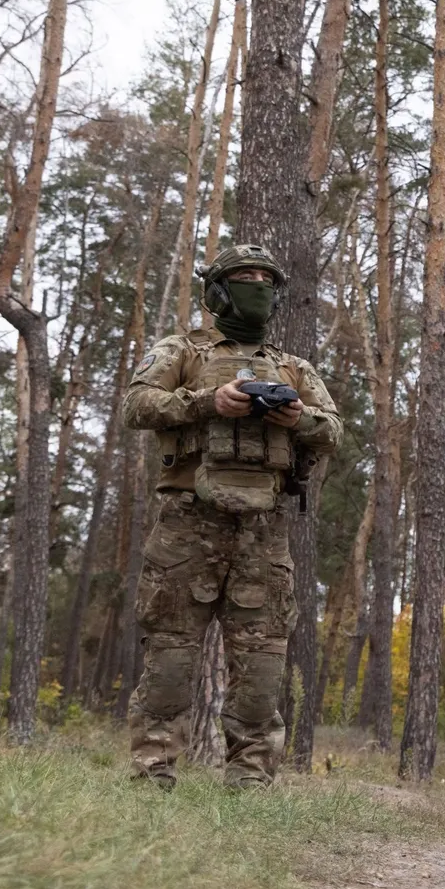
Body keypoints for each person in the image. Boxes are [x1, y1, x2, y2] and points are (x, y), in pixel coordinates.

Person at [122, 243, 341, 790]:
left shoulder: (293, 366)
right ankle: (151, 779)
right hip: (187, 524)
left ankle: (250, 786)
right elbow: (136, 406)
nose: (256, 287)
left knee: (262, 667)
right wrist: (207, 402)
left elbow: (333, 431)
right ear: (217, 291)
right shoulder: (182, 350)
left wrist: (297, 416)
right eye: (244, 278)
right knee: (170, 658)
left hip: (263, 533)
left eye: (265, 280)